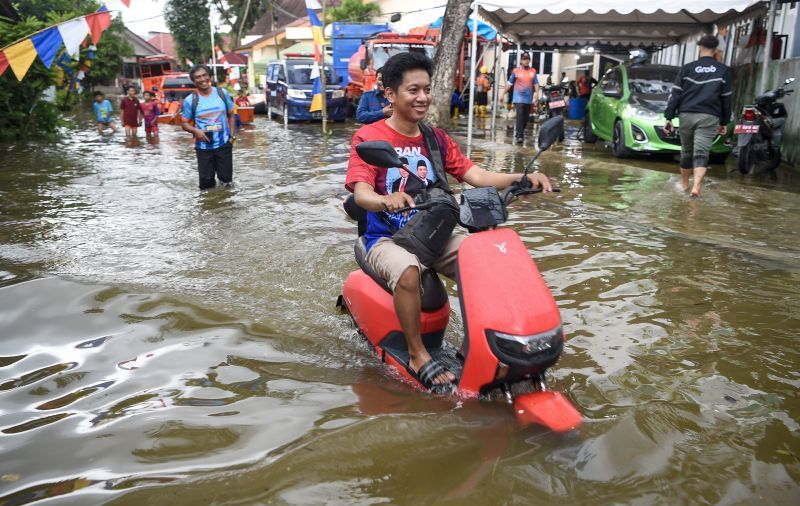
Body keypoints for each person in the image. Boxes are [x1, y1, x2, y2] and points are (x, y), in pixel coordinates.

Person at [345, 52, 552, 390]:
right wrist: (385, 200)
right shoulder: (369, 138)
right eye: (413, 90)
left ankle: (484, 348)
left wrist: (523, 179)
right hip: (385, 240)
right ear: (390, 94)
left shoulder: (435, 139)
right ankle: (417, 354)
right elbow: (362, 193)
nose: (423, 97)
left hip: (432, 234)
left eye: (427, 89)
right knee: (408, 270)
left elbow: (478, 175)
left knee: (487, 256)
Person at [664, 35, 731, 198]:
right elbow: (726, 98)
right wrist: (724, 121)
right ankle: (696, 186)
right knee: (701, 152)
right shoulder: (723, 70)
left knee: (687, 151)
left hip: (687, 114)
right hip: (709, 116)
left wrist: (669, 117)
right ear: (716, 50)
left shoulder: (687, 68)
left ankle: (685, 184)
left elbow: (676, 95)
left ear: (700, 47)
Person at [181, 64, 237, 190]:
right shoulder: (191, 100)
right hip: (203, 148)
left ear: (209, 76)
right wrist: (195, 131)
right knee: (206, 186)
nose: (202, 79)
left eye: (204, 75)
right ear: (193, 81)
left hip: (224, 144)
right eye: (198, 77)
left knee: (227, 182)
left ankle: (226, 207)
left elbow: (231, 115)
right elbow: (184, 123)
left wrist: (232, 137)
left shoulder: (222, 93)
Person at [500, 53, 539, 144]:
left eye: (527, 59)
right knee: (520, 115)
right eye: (524, 59)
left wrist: (537, 93)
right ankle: (520, 135)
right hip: (518, 98)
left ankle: (519, 132)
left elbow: (536, 83)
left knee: (525, 118)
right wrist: (502, 94)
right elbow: (509, 84)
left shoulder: (533, 71)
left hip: (528, 99)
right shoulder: (516, 71)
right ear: (521, 61)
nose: (526, 61)